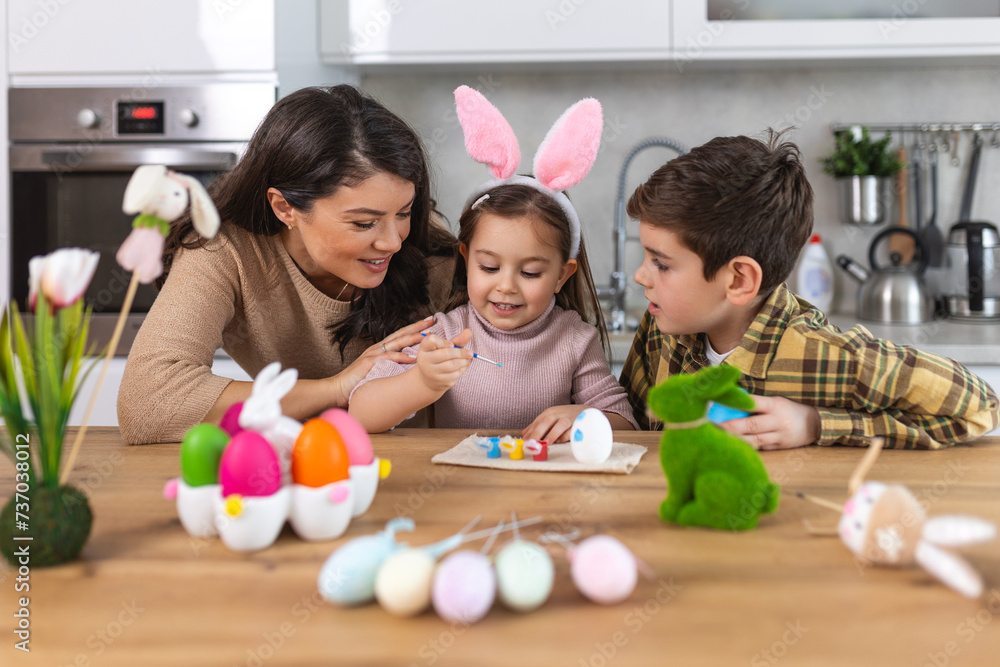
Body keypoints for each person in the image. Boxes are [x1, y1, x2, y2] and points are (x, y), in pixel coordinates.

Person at [117, 85, 456, 444]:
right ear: (285, 208)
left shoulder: (431, 252)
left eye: (403, 212)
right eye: (363, 223)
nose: (392, 241)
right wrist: (336, 388)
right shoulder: (226, 251)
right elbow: (148, 404)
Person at [620, 130, 999, 449]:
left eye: (661, 263)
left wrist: (818, 424)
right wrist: (603, 419)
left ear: (737, 281)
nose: (641, 276)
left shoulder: (823, 355)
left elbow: (981, 405)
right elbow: (634, 429)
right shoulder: (661, 330)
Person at [348, 87, 636, 443]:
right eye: (488, 267)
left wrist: (588, 416)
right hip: (460, 490)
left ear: (563, 275)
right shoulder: (444, 333)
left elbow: (625, 423)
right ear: (466, 259)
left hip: (545, 491)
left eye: (530, 273)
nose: (507, 286)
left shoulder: (574, 339)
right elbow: (361, 413)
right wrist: (421, 382)